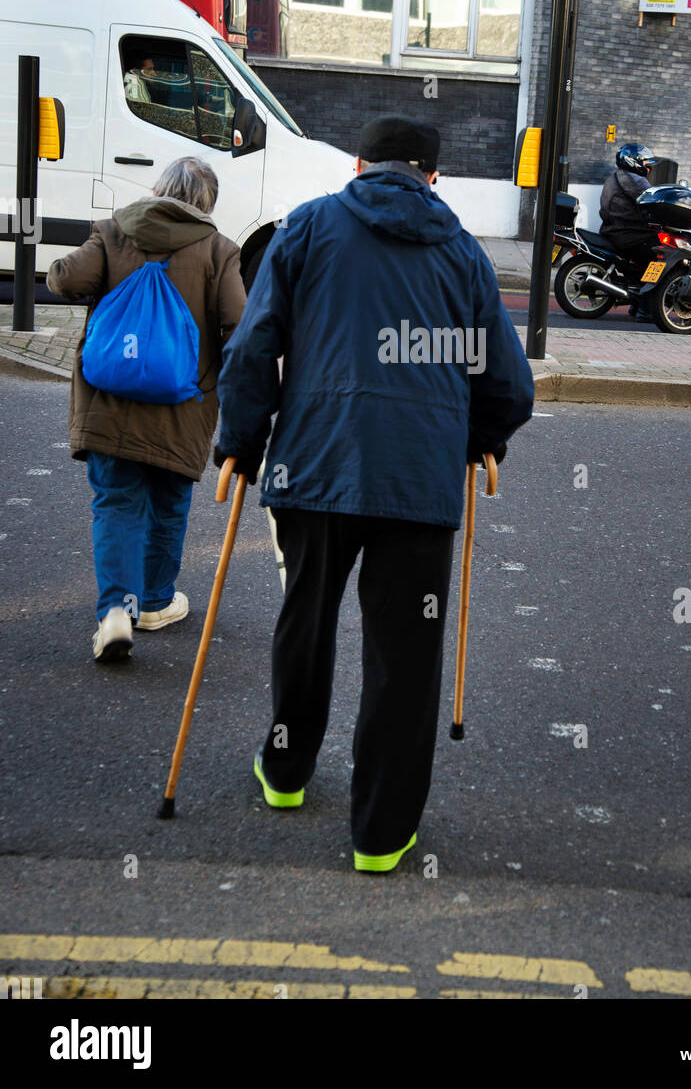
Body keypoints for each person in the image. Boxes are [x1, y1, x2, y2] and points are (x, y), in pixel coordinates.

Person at [215, 115, 534, 873]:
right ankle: (382, 834)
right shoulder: (461, 253)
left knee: (306, 622)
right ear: (434, 176)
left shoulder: (307, 228)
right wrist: (478, 439)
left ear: (358, 163)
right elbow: (505, 383)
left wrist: (239, 441)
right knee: (404, 658)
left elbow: (254, 345)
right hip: (415, 484)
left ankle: (285, 771)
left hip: (313, 468)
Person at [46, 157, 247, 662]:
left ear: (159, 189)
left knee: (116, 503)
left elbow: (67, 281)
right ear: (207, 202)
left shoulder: (115, 231)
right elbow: (239, 327)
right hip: (183, 408)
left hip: (109, 404)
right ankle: (155, 602)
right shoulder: (219, 250)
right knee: (168, 503)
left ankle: (118, 610)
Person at [599, 143, 659, 320]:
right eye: (645, 163)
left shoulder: (618, 176)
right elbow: (650, 200)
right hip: (626, 233)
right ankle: (645, 308)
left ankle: (636, 301)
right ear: (634, 162)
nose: (648, 167)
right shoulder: (634, 180)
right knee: (658, 258)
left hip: (616, 231)